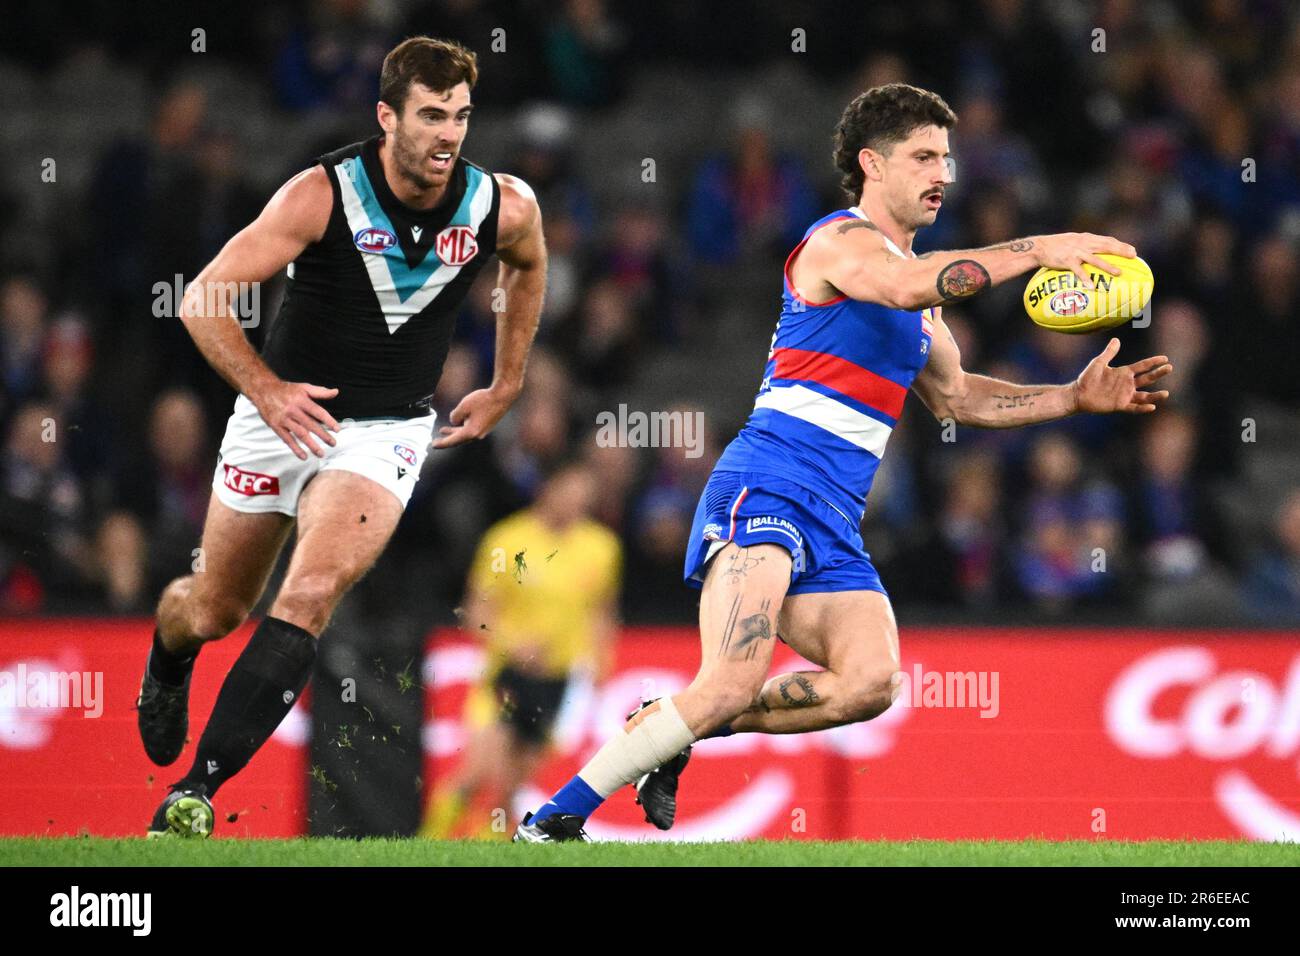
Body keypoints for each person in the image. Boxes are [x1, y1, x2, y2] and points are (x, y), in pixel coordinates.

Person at [516, 83, 1173, 842]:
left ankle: (676, 727)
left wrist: (1072, 399)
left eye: (949, 159)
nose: (944, 174)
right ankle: (551, 822)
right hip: (767, 486)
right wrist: (1039, 250)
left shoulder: (923, 309)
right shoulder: (839, 243)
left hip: (835, 517)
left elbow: (960, 400)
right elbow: (901, 282)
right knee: (729, 679)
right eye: (925, 156)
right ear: (873, 164)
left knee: (869, 686)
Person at [136, 36, 547, 838]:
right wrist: (267, 389)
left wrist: (509, 383)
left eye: (461, 116)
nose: (448, 135)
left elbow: (527, 267)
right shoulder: (320, 194)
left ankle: (197, 792)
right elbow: (203, 301)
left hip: (385, 432)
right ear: (387, 115)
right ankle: (168, 653)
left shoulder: (502, 205)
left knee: (312, 593)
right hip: (277, 421)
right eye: (431, 115)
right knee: (216, 609)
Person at [422, 461, 620, 839]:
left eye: (585, 497)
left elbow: (602, 610)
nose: (577, 504)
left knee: (512, 789)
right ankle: (425, 843)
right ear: (548, 490)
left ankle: (487, 847)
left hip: (558, 682)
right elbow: (476, 610)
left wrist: (601, 661)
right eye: (570, 493)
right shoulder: (508, 540)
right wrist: (512, 644)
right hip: (507, 676)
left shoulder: (602, 546)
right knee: (477, 772)